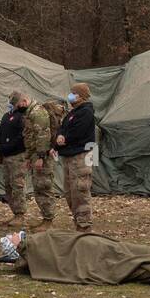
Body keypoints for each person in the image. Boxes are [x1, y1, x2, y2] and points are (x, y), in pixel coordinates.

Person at [54, 83, 97, 231]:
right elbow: (62, 127)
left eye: (73, 93)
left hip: (80, 156)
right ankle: (78, 222)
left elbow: (78, 132)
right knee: (70, 192)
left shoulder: (86, 112)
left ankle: (85, 226)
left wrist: (64, 138)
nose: (70, 95)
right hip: (68, 156)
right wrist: (60, 135)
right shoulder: (72, 112)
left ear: (80, 95)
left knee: (80, 190)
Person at [23, 96, 64, 231]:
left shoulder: (38, 113)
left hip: (43, 157)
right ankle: (46, 219)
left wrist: (41, 156)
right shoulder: (32, 113)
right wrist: (29, 157)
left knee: (44, 186)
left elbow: (43, 136)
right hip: (37, 155)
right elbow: (31, 137)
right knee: (39, 187)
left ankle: (49, 221)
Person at [0, 91, 30, 227]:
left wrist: (9, 146)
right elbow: (0, 133)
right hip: (6, 156)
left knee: (17, 185)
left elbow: (22, 136)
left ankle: (20, 214)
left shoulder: (22, 117)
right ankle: (15, 212)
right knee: (8, 185)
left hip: (17, 155)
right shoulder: (6, 116)